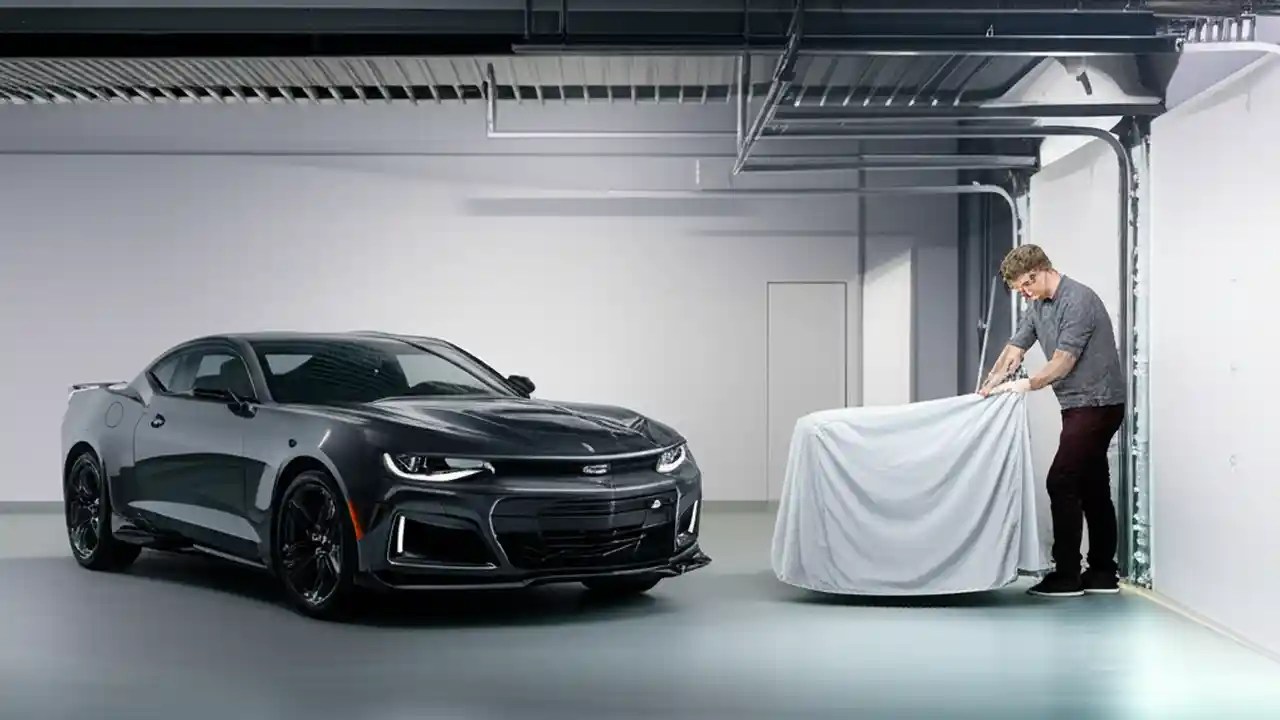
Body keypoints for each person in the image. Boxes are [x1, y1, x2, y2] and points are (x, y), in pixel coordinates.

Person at [979, 244, 1127, 598]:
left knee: (1061, 481)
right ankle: (1104, 573)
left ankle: (1066, 575)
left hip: (1098, 404)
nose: (1025, 293)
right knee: (1093, 485)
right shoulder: (1037, 305)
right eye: (1020, 290)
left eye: (1026, 285)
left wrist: (1026, 385)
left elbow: (1063, 361)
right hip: (1076, 405)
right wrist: (990, 384)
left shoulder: (1079, 301)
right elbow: (1016, 348)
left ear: (1041, 270)